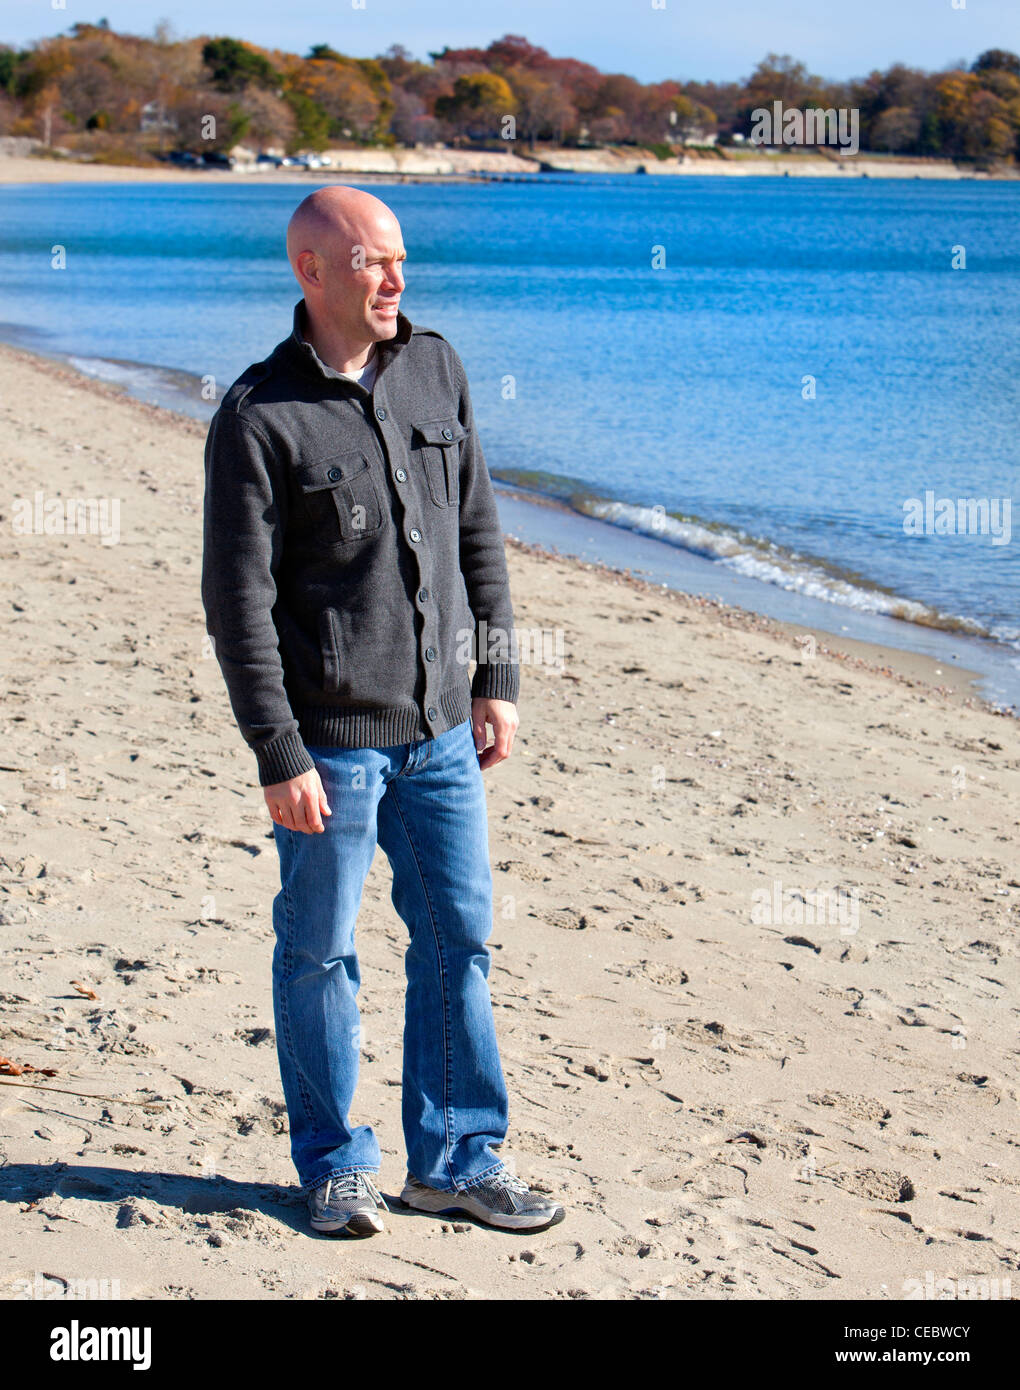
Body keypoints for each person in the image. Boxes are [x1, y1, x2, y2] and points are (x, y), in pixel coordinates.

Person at [201, 185, 565, 1237]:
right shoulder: (258, 415)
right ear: (312, 272)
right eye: (372, 262)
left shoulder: (437, 367)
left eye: (402, 259)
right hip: (329, 745)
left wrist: (496, 677)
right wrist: (278, 751)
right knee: (320, 952)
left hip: (443, 732)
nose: (397, 279)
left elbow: (479, 536)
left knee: (460, 939)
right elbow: (239, 605)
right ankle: (333, 1166)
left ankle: (453, 1158)